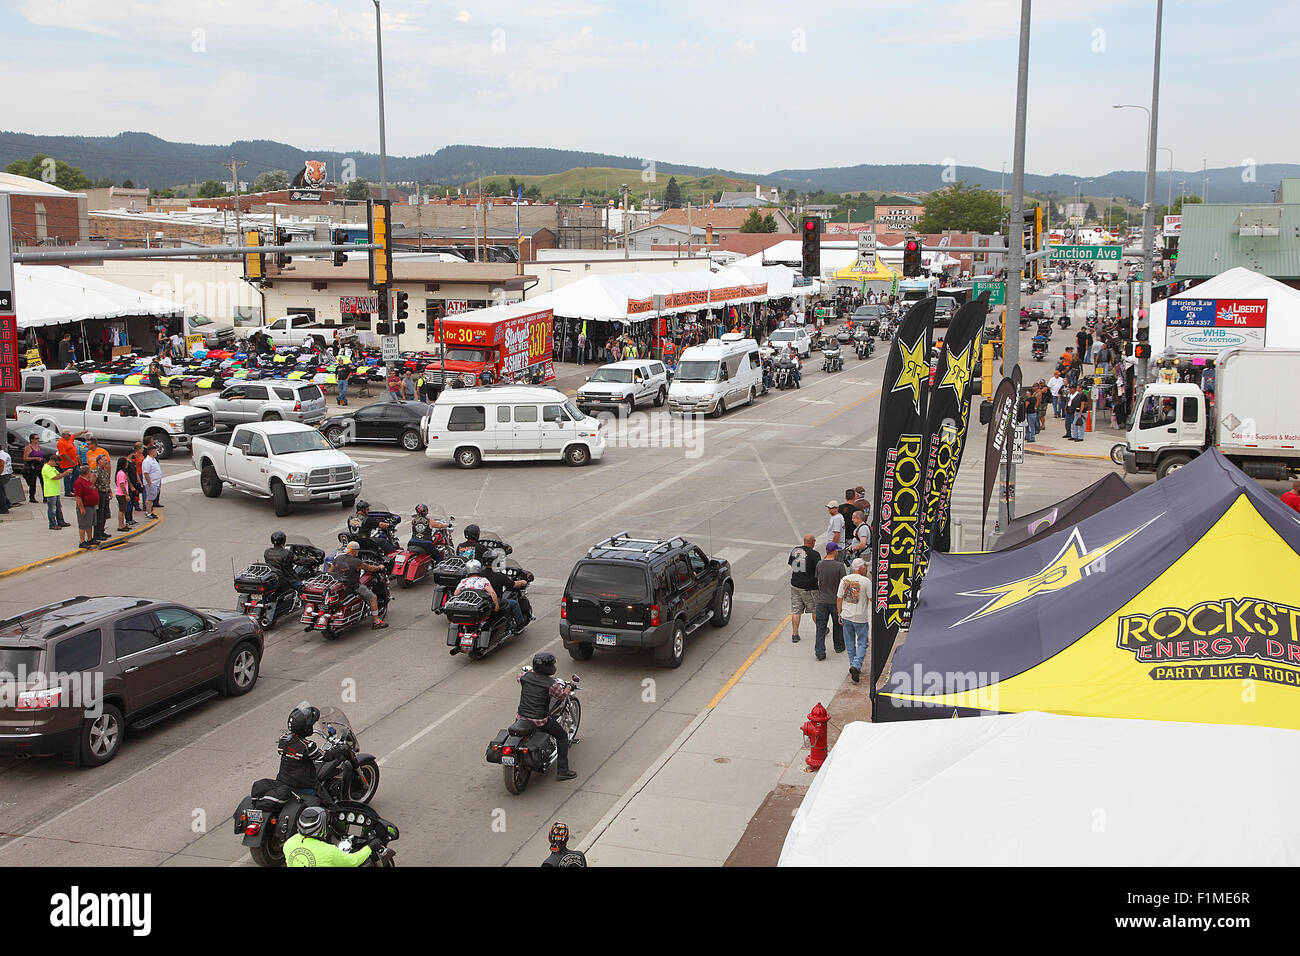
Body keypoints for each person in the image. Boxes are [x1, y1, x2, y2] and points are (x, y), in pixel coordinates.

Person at [515, 652, 577, 780]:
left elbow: (519, 676)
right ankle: (563, 771)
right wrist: (569, 687)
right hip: (540, 720)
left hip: (521, 717)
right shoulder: (551, 684)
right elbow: (562, 696)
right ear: (549, 667)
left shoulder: (524, 677)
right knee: (562, 736)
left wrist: (531, 671)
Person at [283, 806, 379, 867]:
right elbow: (354, 861)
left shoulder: (289, 843)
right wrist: (370, 847)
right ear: (320, 827)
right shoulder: (329, 852)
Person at [331, 541, 388, 629]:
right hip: (353, 586)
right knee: (373, 598)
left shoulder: (338, 558)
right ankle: (376, 621)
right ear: (353, 551)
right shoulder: (356, 561)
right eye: (357, 550)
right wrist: (380, 567)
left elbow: (330, 572)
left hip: (339, 585)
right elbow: (369, 568)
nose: (358, 552)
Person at [837, 558, 872, 683]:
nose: (866, 568)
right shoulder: (866, 581)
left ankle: (853, 665)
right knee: (863, 643)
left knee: (850, 643)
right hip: (860, 618)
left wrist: (839, 613)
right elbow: (872, 599)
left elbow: (839, 598)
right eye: (865, 567)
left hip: (846, 616)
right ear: (861, 568)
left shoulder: (844, 580)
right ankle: (856, 665)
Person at [277, 704, 324, 795]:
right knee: (328, 801)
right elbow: (325, 757)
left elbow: (288, 751)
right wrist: (339, 750)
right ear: (305, 729)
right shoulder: (308, 746)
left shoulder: (283, 740)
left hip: (284, 781)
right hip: (303, 785)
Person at [814, 542, 847, 661]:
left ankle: (820, 652)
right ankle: (839, 646)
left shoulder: (819, 564)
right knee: (838, 624)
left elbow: (818, 579)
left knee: (821, 627)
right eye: (837, 550)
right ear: (834, 552)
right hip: (835, 600)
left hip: (822, 600)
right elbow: (844, 584)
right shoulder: (839, 566)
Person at [787, 533, 820, 644]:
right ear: (812, 542)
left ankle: (795, 634)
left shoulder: (795, 550)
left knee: (796, 610)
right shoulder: (814, 554)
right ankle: (820, 629)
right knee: (815, 609)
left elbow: (790, 564)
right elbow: (818, 570)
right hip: (810, 587)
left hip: (796, 584)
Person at [72, 466, 100, 549]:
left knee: (90, 524)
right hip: (85, 506)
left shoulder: (88, 481)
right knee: (83, 525)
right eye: (90, 472)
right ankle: (82, 541)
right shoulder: (79, 482)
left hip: (92, 506)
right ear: (87, 473)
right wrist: (81, 508)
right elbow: (78, 497)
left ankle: (90, 538)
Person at [40, 457, 71, 530]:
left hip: (55, 491)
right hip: (50, 491)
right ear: (52, 461)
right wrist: (65, 473)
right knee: (52, 509)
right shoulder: (47, 468)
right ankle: (52, 524)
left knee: (58, 508)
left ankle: (61, 521)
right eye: (56, 464)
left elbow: (58, 474)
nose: (57, 465)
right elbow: (55, 477)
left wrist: (64, 473)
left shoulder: (52, 467)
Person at [91, 450, 113, 542]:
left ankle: (102, 530)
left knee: (105, 513)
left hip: (105, 493)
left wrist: (110, 492)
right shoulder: (95, 471)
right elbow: (92, 484)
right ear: (99, 461)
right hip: (99, 494)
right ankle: (97, 534)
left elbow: (107, 482)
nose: (106, 462)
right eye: (104, 460)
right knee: (99, 514)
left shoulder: (105, 471)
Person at [22, 433, 45, 504]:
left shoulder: (38, 446)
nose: (37, 440)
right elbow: (25, 458)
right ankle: (32, 497)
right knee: (33, 482)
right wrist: (34, 458)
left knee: (43, 481)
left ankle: (45, 497)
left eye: (38, 438)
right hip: (32, 467)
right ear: (32, 439)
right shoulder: (28, 447)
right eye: (36, 438)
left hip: (40, 466)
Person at [114, 457, 135, 530]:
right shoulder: (121, 473)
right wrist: (126, 495)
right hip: (121, 494)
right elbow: (122, 485)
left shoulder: (123, 473)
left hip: (122, 494)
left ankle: (122, 524)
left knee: (123, 510)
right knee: (121, 510)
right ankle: (120, 525)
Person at [141, 445, 162, 518]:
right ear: (152, 452)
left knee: (152, 498)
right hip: (151, 483)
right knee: (149, 498)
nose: (156, 452)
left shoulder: (153, 459)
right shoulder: (147, 461)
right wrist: (149, 483)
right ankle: (148, 512)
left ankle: (149, 511)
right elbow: (146, 473)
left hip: (155, 482)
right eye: (155, 451)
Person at [0, 445, 11, 515]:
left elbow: (1, 466)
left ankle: (4, 508)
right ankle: (7, 503)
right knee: (2, 491)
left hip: (2, 475)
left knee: (1, 493)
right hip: (7, 474)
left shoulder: (1, 456)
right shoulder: (5, 454)